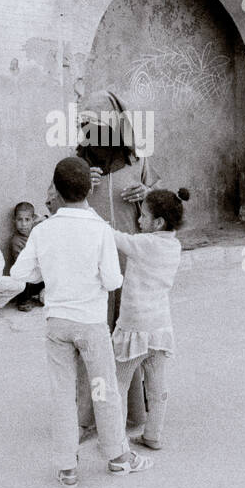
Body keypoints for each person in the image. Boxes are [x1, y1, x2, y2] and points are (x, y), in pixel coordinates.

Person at [9, 156, 152, 487]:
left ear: (55, 192)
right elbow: (114, 280)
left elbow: (19, 273)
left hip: (57, 323)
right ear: (90, 188)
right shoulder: (100, 229)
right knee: (105, 390)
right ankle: (118, 457)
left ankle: (67, 466)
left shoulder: (43, 230)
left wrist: (49, 272)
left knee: (62, 392)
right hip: (91, 323)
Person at [75, 90, 161, 430]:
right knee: (93, 337)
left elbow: (161, 202)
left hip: (128, 265)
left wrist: (147, 195)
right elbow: (53, 206)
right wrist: (80, 188)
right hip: (90, 267)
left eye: (98, 127)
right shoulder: (76, 164)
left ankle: (131, 412)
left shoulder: (136, 161)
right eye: (86, 127)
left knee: (127, 336)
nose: (91, 135)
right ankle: (88, 417)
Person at [112, 188, 189, 452]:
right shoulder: (174, 246)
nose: (138, 221)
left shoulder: (145, 244)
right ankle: (153, 434)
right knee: (157, 386)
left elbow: (115, 237)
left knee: (119, 383)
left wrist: (88, 216)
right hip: (160, 327)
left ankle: (117, 442)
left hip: (135, 325)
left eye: (143, 216)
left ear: (158, 223)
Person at [5, 201, 46, 311]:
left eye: (27, 220)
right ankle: (24, 300)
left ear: (33, 220)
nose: (23, 224)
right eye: (20, 220)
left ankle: (42, 294)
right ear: (14, 220)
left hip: (40, 274)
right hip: (27, 277)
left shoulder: (36, 233)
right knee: (23, 278)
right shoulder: (16, 241)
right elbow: (23, 265)